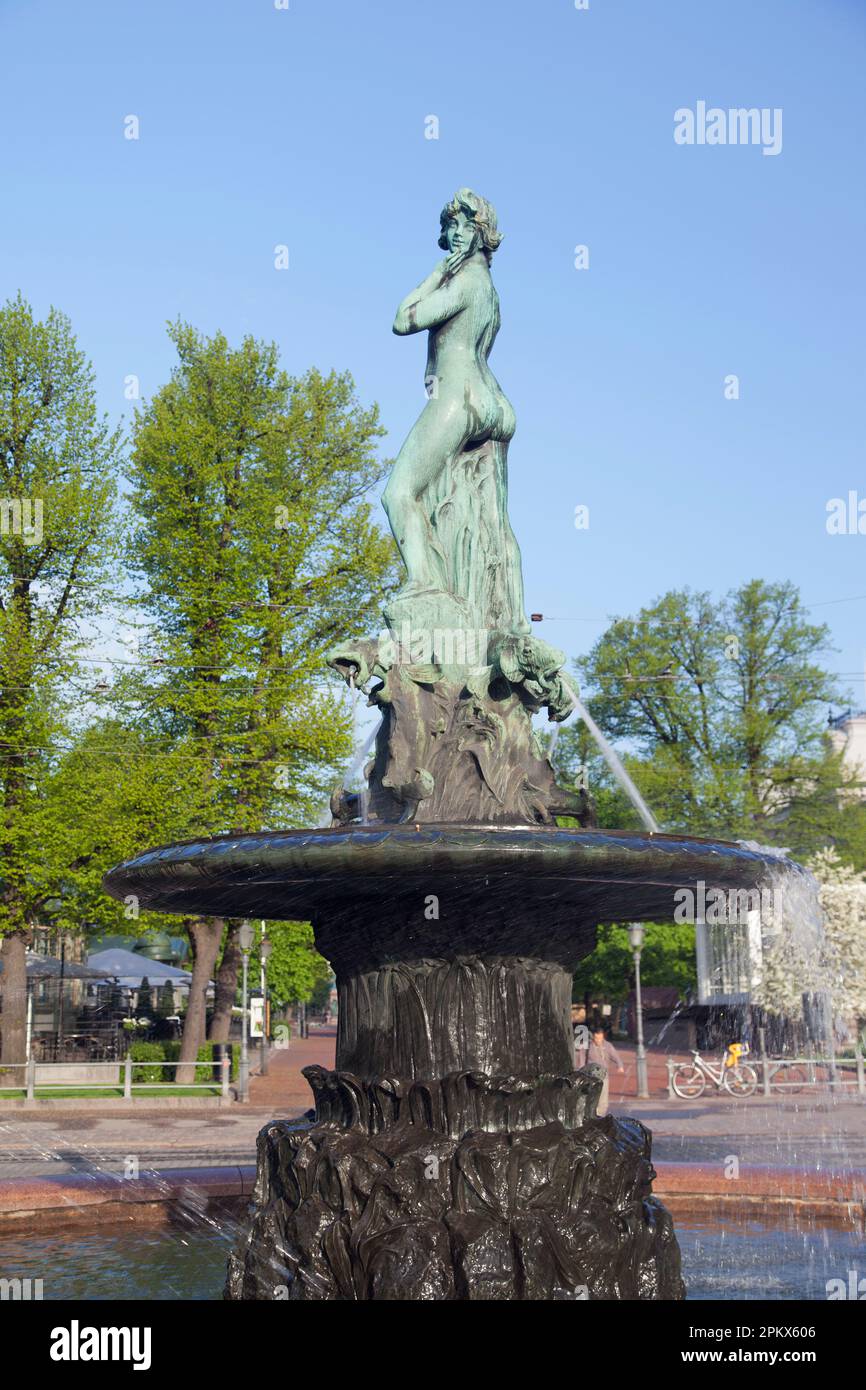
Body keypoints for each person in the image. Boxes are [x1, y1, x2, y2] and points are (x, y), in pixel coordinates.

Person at [575, 1025, 625, 1118]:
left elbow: (615, 1056)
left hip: (603, 1076)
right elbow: (582, 1059)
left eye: (600, 1038)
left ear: (603, 1037)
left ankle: (599, 1116)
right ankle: (590, 1115)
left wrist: (620, 1065)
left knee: (603, 1099)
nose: (598, 1040)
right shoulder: (587, 1046)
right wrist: (581, 1071)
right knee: (590, 1096)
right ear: (593, 1036)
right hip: (590, 1076)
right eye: (596, 1038)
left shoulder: (607, 1046)